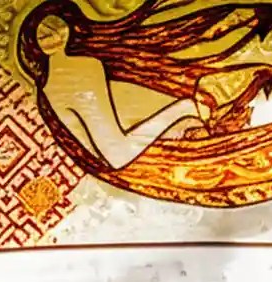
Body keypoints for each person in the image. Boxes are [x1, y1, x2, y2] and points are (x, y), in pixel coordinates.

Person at [34, 15, 206, 170]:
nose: (52, 39)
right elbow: (115, 148)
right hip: (118, 154)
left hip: (113, 154)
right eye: (45, 35)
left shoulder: (49, 86)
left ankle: (182, 118)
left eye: (52, 32)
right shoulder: (85, 67)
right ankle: (184, 115)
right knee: (186, 106)